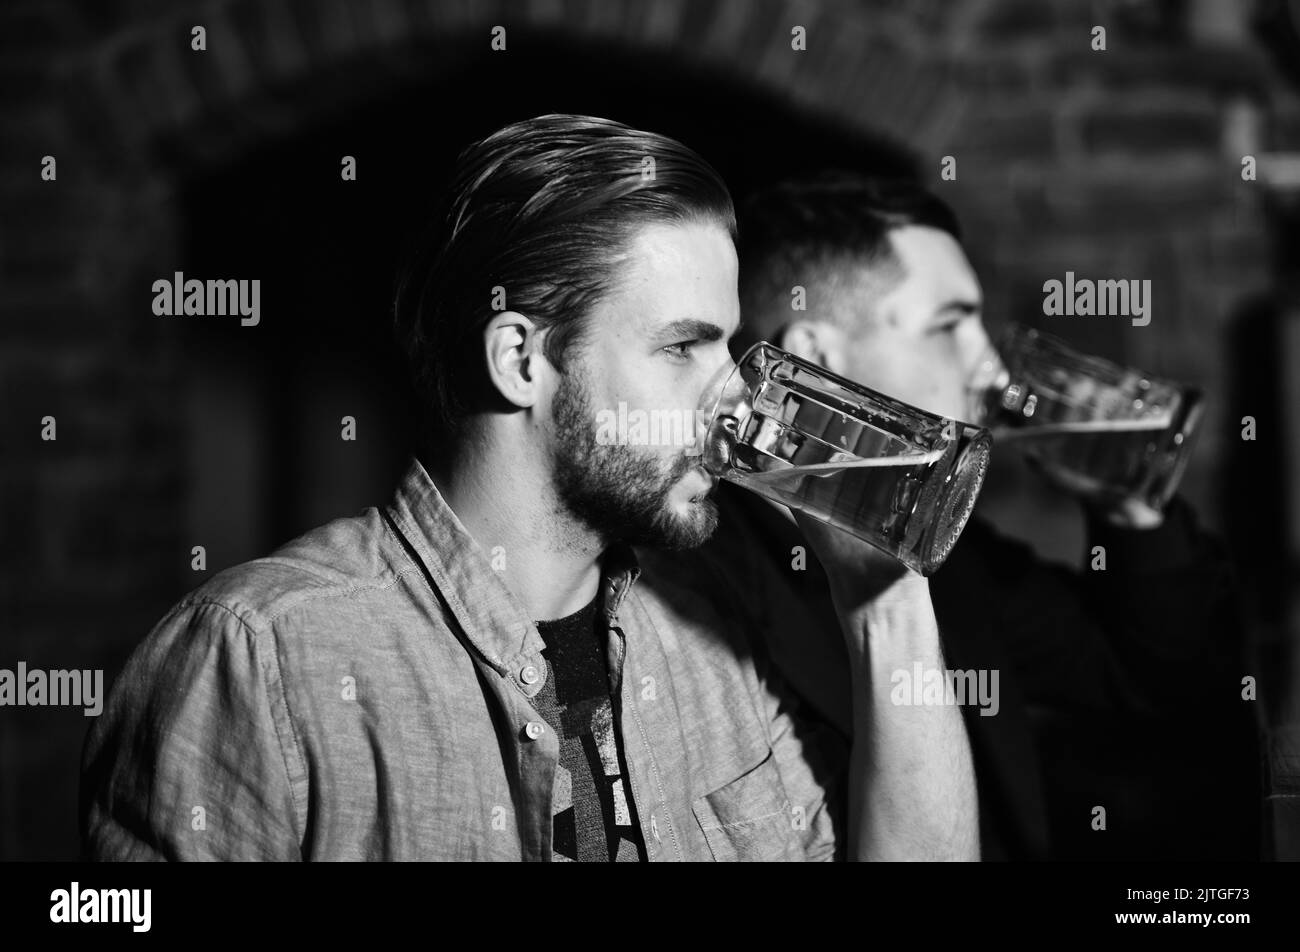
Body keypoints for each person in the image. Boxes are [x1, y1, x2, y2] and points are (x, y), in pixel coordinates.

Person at [79, 117, 978, 862]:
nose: (734, 394)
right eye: (681, 347)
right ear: (521, 361)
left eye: (730, 346)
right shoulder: (262, 658)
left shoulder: (715, 635)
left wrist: (884, 605)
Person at [714, 174, 1259, 860]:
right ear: (814, 359)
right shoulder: (700, 586)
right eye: (949, 326)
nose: (991, 369)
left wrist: (1126, 507)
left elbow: (1160, 687)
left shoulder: (961, 564)